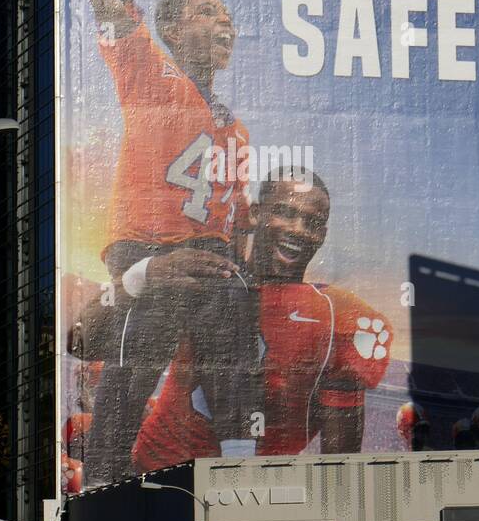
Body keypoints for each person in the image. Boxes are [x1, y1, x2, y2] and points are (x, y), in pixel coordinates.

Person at [79, 0, 262, 483]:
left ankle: (245, 488)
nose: (224, 23)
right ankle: (98, 496)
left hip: (209, 262)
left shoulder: (235, 129)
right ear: (172, 28)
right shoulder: (150, 72)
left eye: (227, 15)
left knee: (238, 379)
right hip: (147, 256)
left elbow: (233, 223)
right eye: (208, 12)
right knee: (127, 388)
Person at [99, 170, 394, 472]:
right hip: (160, 475)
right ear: (256, 213)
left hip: (257, 495)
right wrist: (145, 273)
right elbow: (90, 342)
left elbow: (339, 465)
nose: (298, 229)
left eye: (313, 223)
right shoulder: (205, 274)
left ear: (324, 234)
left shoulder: (338, 315)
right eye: (285, 212)